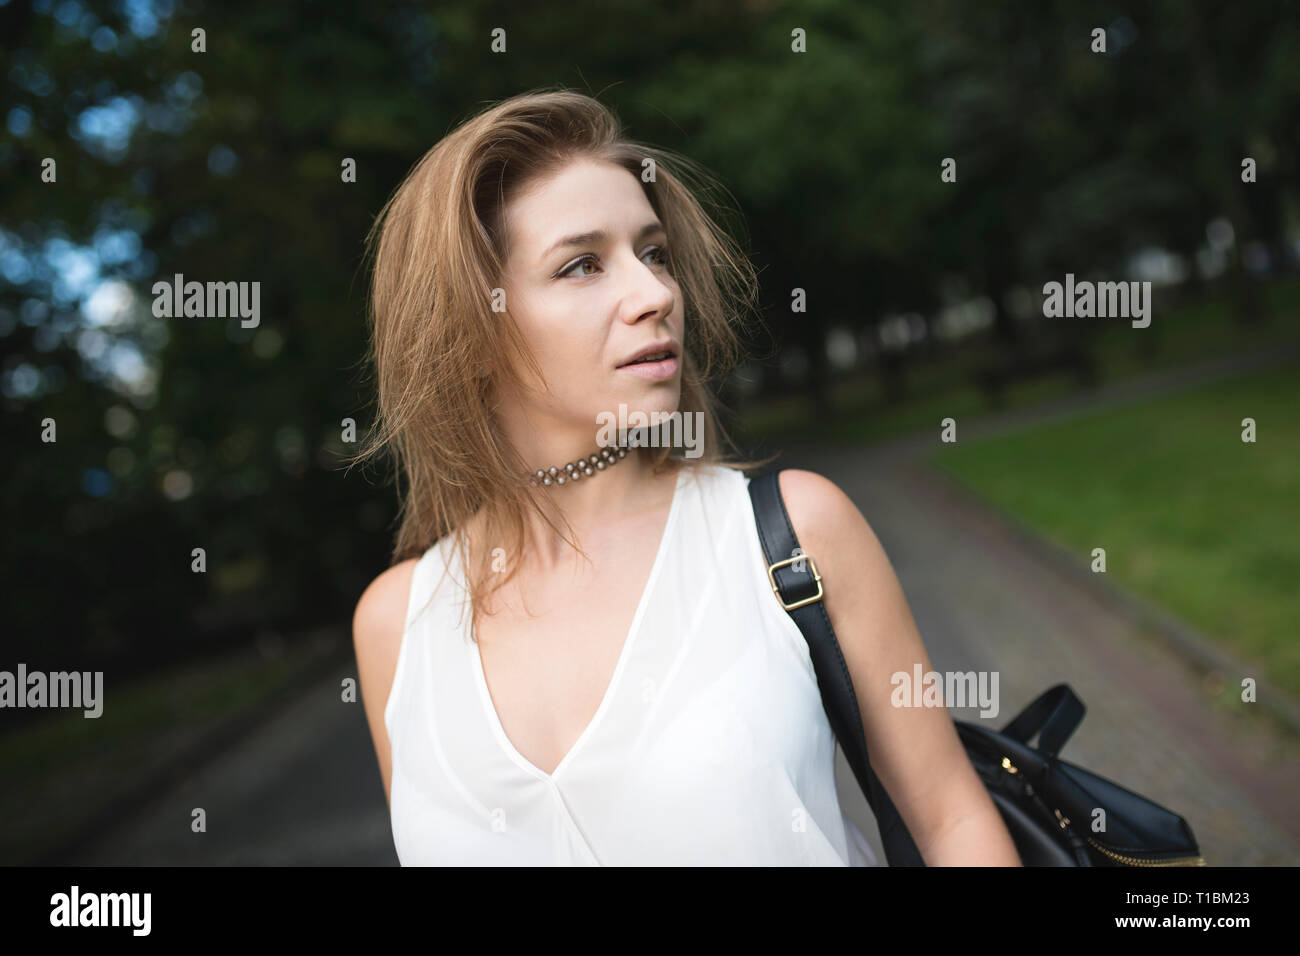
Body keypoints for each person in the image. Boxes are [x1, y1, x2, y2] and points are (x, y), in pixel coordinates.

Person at [350, 87, 1022, 866]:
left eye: (655, 253)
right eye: (581, 265)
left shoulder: (790, 535)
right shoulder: (397, 626)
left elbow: (952, 825)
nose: (656, 294)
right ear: (468, 329)